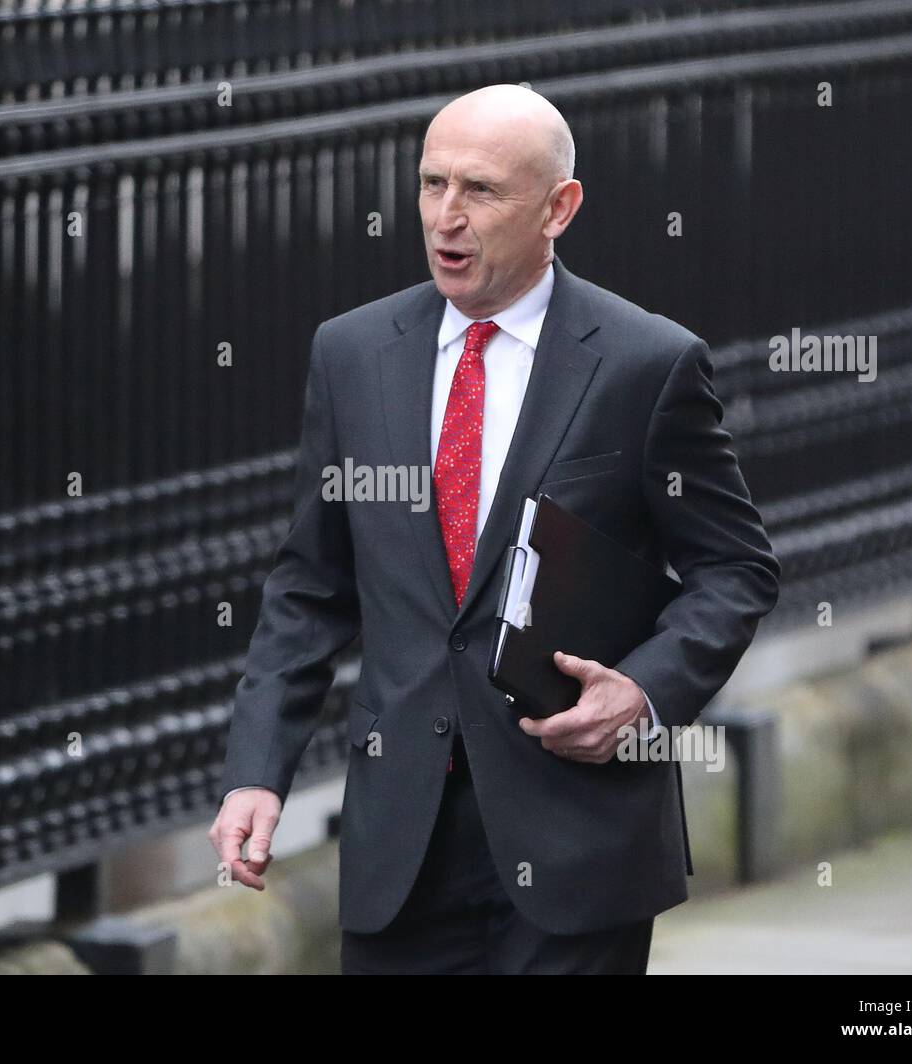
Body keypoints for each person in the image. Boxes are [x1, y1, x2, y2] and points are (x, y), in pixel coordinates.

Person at [208, 84, 780, 974]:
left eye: (480, 190)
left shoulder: (645, 363)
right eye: (432, 184)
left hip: (578, 843)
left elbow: (736, 570)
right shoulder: (353, 354)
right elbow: (311, 587)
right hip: (400, 843)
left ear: (559, 207)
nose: (447, 216)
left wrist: (643, 693)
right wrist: (255, 771)